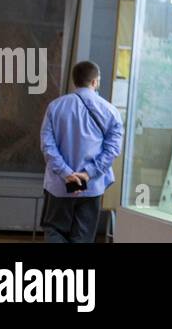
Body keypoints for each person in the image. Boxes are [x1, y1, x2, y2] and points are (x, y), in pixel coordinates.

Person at [39, 60, 123, 243]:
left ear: (74, 82)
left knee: (54, 231)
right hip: (91, 187)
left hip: (58, 186)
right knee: (83, 237)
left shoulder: (55, 107)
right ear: (95, 81)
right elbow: (112, 149)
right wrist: (88, 173)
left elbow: (47, 145)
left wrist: (66, 173)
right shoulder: (110, 111)